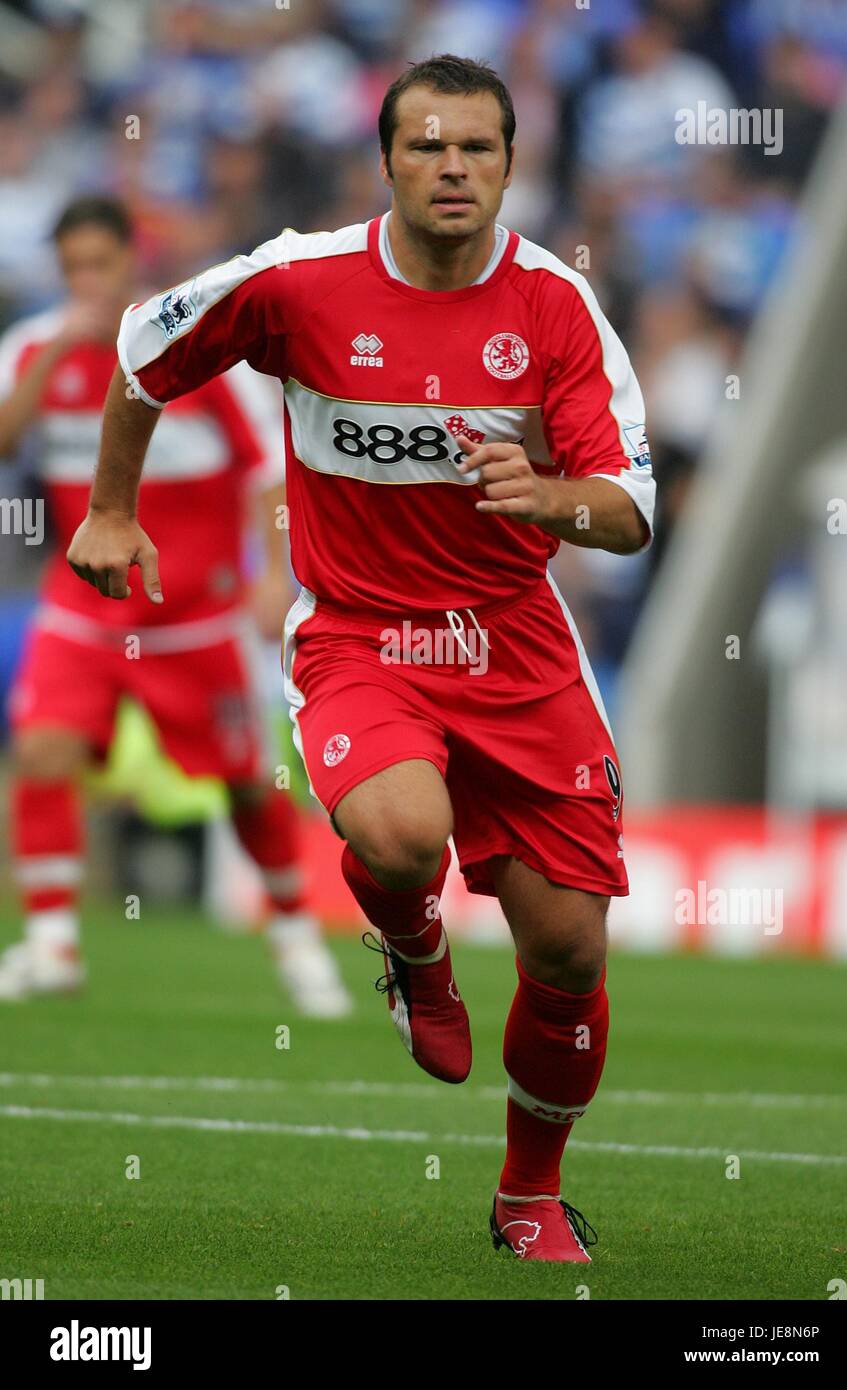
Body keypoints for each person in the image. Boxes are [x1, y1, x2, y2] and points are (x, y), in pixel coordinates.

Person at [66, 56, 655, 1263]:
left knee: (567, 948)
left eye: (477, 149)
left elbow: (630, 510)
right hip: (362, 635)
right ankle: (412, 947)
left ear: (509, 162)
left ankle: (527, 1196)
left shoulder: (552, 306)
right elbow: (142, 351)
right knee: (396, 833)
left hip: (518, 648)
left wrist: (546, 493)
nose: (453, 168)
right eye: (428, 146)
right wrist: (111, 507)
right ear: (385, 161)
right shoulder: (298, 281)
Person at [0, 195, 351, 1018]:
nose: (88, 281)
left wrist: (274, 575)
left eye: (101, 264)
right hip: (81, 609)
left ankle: (297, 938)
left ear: (133, 263)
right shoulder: (31, 351)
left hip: (193, 615)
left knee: (244, 783)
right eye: (74, 268)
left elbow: (272, 468)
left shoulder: (189, 353)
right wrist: (55, 354)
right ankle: (52, 944)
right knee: (44, 750)